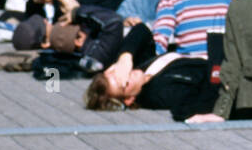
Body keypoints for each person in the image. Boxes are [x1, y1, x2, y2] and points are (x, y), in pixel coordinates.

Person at [83, 21, 220, 120]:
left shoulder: (141, 69)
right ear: (129, 99)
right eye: (124, 83)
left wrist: (124, 58)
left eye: (117, 72)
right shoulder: (159, 92)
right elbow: (203, 92)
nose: (126, 74)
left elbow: (142, 30)